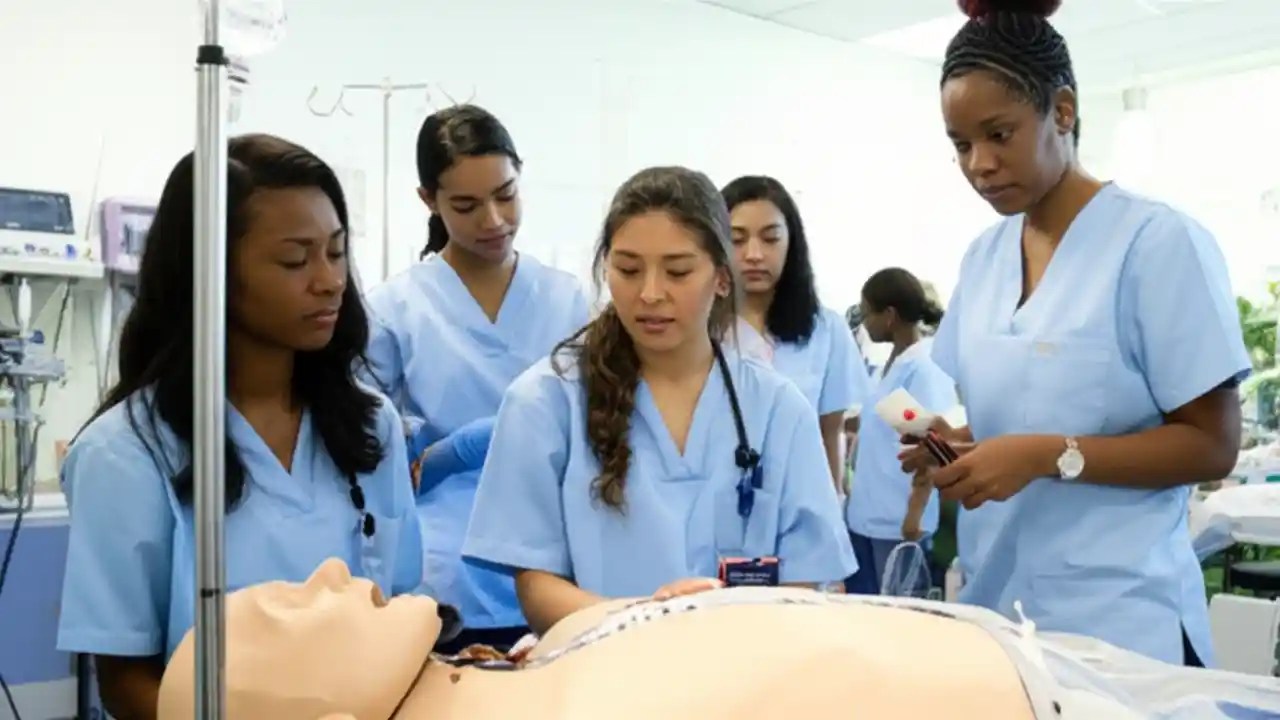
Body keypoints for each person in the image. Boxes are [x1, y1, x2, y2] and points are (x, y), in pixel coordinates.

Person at [901, 0, 1250, 667]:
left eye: (999, 134)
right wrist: (960, 448)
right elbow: (1019, 420)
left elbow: (1212, 445)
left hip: (1121, 623)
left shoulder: (1156, 244)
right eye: (961, 145)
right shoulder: (982, 258)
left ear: (1062, 111)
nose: (979, 163)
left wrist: (1043, 456)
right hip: (998, 616)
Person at [56, 134, 422, 719]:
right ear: (210, 273)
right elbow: (125, 681)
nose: (329, 281)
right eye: (295, 260)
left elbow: (401, 618)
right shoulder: (126, 454)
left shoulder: (370, 427)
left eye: (335, 252)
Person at [461, 166, 855, 634]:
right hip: (603, 673)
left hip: (744, 677)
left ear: (722, 278)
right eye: (627, 269)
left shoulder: (779, 411)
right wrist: (649, 623)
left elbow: (803, 581)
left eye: (678, 271)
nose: (649, 294)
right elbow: (536, 585)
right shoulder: (545, 401)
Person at [156, 559, 1280, 720]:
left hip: (1041, 665)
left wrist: (655, 608)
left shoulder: (501, 675)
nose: (328, 573)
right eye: (282, 610)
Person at [363, 104, 589, 652]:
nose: (493, 220)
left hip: (554, 560)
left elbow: (597, 424)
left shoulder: (566, 297)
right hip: (445, 568)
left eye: (506, 195)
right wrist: (437, 456)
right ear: (428, 200)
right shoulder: (396, 307)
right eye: (465, 205)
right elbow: (367, 440)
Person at [721, 175, 870, 494]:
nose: (754, 254)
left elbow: (830, 433)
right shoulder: (699, 329)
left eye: (770, 238)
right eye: (737, 239)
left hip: (797, 502)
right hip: (713, 505)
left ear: (792, 244)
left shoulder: (825, 330)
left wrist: (832, 514)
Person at [843, 268, 957, 595]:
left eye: (868, 315)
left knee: (899, 621)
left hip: (898, 525)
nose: (865, 323)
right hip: (868, 517)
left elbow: (930, 447)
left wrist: (914, 515)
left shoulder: (921, 369)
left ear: (889, 315)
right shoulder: (890, 368)